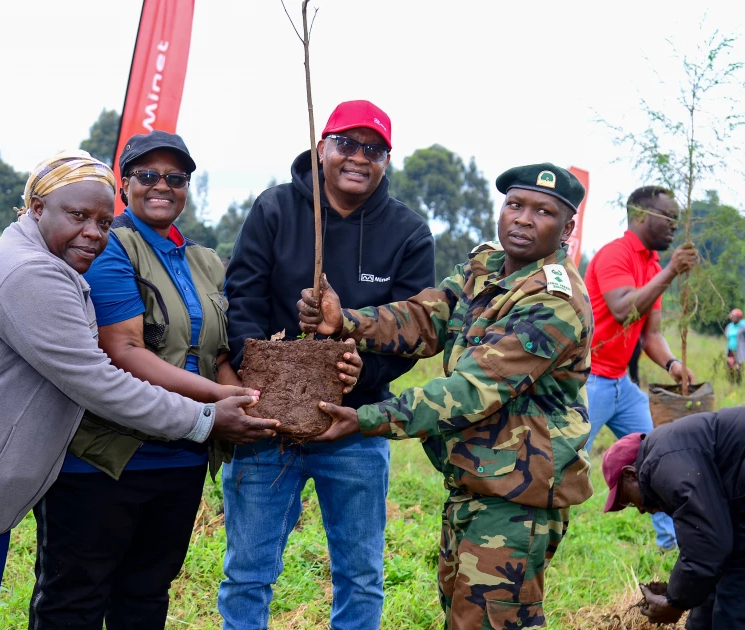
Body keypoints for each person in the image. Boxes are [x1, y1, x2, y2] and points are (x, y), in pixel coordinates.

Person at [0, 150, 279, 630]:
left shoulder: (57, 269)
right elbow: (96, 380)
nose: (93, 232)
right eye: (78, 215)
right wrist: (206, 419)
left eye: (104, 221)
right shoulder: (29, 273)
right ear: (36, 208)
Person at [299, 163, 594, 630]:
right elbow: (423, 319)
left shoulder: (554, 299)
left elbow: (473, 390)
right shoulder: (486, 267)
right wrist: (347, 320)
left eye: (542, 211)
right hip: (475, 481)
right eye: (515, 205)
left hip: (519, 495)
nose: (522, 219)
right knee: (461, 616)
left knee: (492, 622)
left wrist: (367, 417)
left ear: (566, 228)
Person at [28, 132, 297, 630]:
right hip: (105, 460)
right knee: (75, 599)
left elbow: (214, 352)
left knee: (147, 595)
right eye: (147, 175)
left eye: (176, 178)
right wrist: (220, 401)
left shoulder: (204, 260)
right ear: (124, 185)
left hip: (181, 458)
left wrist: (249, 400)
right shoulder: (109, 245)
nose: (161, 186)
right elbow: (123, 350)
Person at [218, 100, 435, 629]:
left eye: (373, 148)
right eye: (346, 144)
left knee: (360, 575)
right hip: (267, 424)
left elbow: (414, 327)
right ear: (322, 147)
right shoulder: (275, 209)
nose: (358, 157)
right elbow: (241, 295)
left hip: (355, 430)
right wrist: (259, 366)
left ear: (387, 158)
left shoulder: (408, 232)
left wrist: (366, 375)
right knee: (247, 572)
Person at [583, 185, 698, 551]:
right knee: (562, 460)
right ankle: (532, 534)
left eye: (677, 221)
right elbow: (623, 309)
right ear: (641, 215)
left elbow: (650, 333)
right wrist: (671, 273)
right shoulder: (614, 255)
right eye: (668, 219)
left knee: (659, 458)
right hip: (590, 381)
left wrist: (672, 362)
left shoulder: (651, 264)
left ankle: (672, 544)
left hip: (622, 384)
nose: (674, 228)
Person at [601, 408, 745, 629]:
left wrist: (675, 603)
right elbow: (712, 557)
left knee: (734, 601)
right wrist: (681, 599)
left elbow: (709, 546)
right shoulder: (668, 453)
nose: (638, 509)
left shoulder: (661, 465)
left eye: (629, 500)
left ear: (631, 474)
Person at [724, 308, 745, 384]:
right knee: (730, 367)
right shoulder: (729, 326)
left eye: (734, 316)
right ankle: (731, 383)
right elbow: (727, 336)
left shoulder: (743, 326)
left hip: (739, 351)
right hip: (730, 350)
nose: (732, 317)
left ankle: (738, 383)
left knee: (738, 367)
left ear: (739, 317)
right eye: (731, 316)